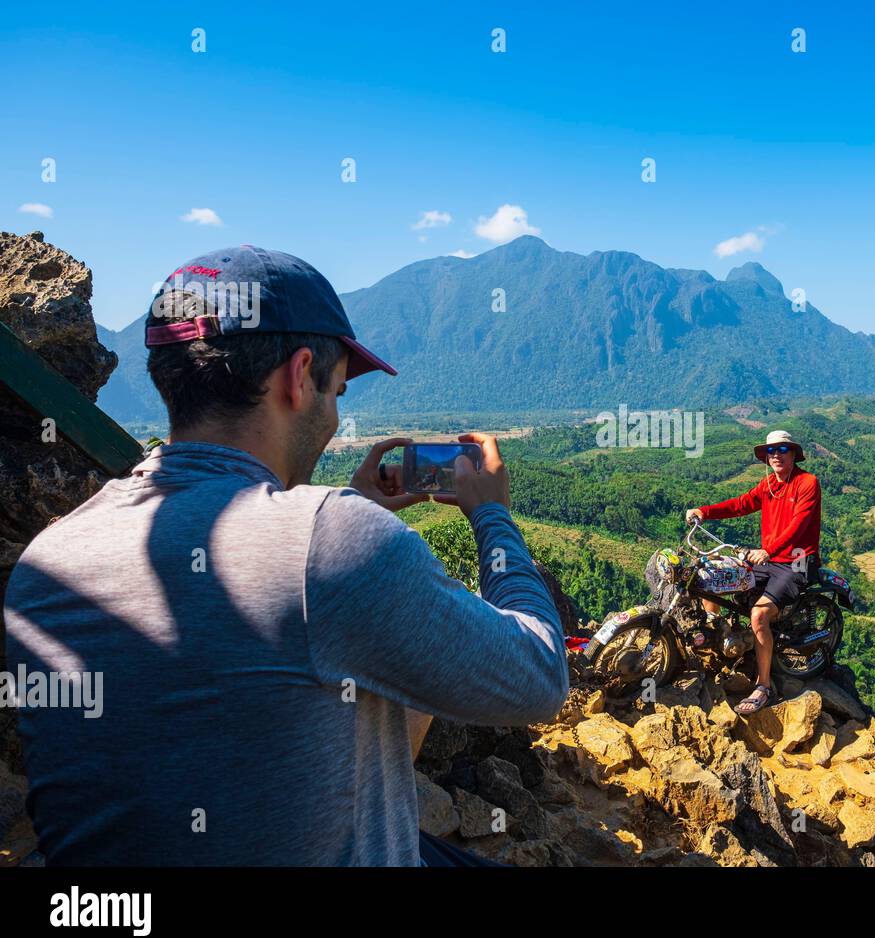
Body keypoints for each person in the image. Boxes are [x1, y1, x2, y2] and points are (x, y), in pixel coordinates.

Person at [3, 246, 568, 866]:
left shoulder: (44, 563)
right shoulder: (334, 544)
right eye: (338, 390)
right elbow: (539, 677)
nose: (332, 413)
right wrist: (491, 513)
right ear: (300, 375)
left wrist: (348, 523)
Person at [685, 430, 822, 714]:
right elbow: (741, 504)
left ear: (794, 453)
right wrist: (705, 511)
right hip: (768, 560)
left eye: (782, 449)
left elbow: (798, 525)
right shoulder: (769, 484)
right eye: (771, 451)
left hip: (797, 563)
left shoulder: (807, 483)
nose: (776, 455)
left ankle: (764, 686)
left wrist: (768, 549)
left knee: (758, 615)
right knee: (715, 582)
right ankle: (719, 639)